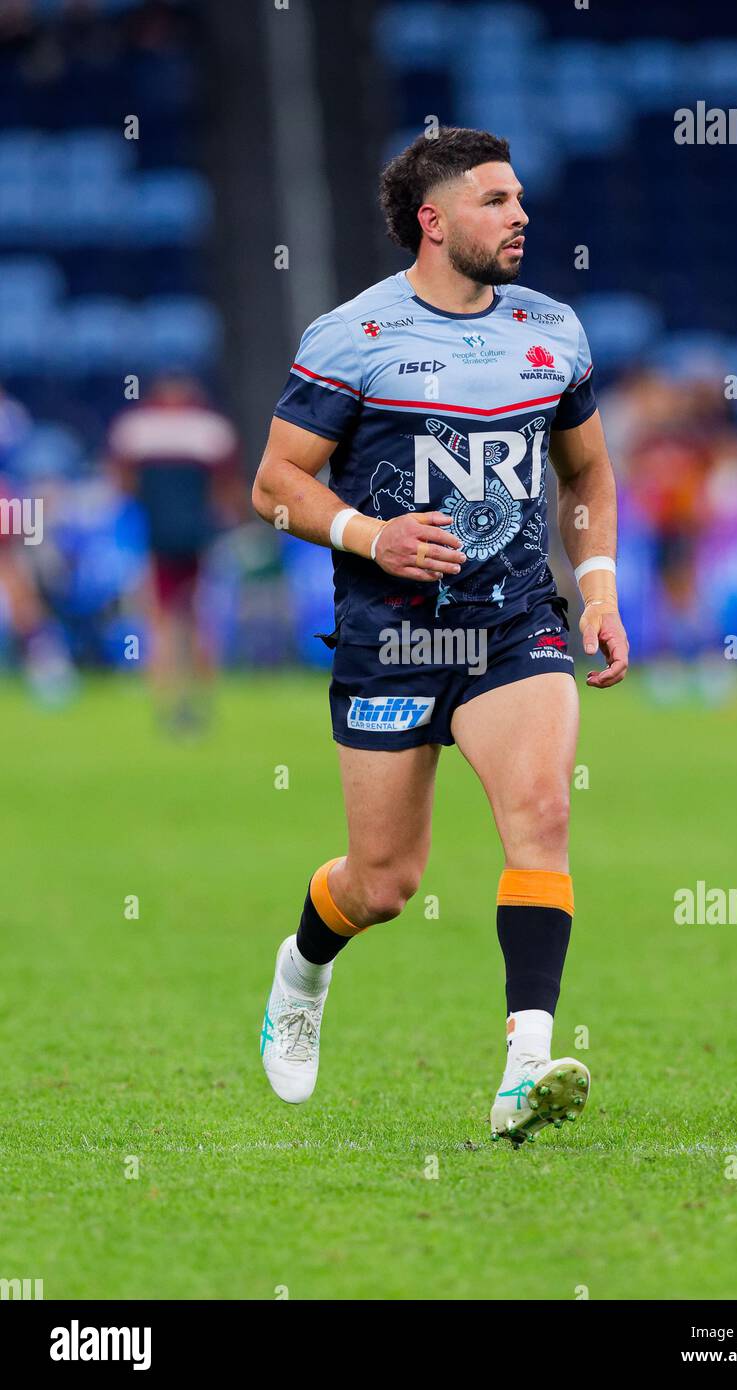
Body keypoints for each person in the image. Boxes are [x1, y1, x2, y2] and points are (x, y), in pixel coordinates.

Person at [252, 128, 629, 1144]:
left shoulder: (551, 331)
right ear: (433, 221)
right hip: (393, 637)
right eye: (495, 201)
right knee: (382, 883)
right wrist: (372, 534)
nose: (519, 217)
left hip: (514, 626)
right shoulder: (350, 337)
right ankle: (301, 971)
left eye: (519, 199)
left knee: (540, 812)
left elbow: (586, 472)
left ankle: (523, 1063)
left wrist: (594, 588)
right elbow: (274, 484)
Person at [107, 374, 242, 731]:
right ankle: (202, 700)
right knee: (198, 616)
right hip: (198, 535)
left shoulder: (136, 428)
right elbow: (225, 490)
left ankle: (168, 704)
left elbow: (122, 482)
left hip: (157, 536)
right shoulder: (210, 429)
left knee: (161, 619)